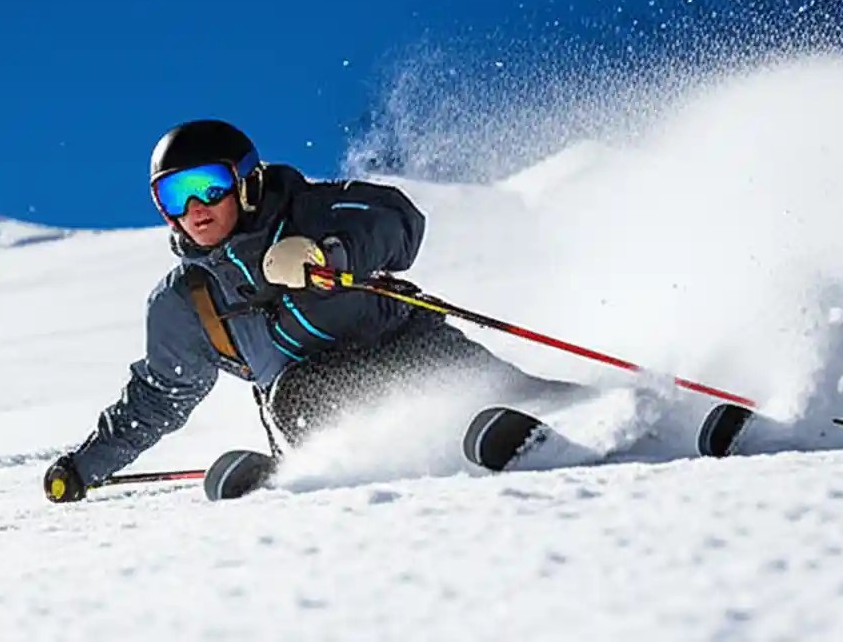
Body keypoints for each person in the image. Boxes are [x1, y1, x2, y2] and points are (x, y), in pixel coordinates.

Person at [43, 119, 586, 503]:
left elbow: (399, 221)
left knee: (536, 398)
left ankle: (592, 429)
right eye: (173, 195)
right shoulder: (187, 303)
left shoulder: (309, 211)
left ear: (247, 181)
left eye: (208, 185)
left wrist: (330, 254)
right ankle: (356, 464)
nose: (195, 208)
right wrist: (84, 467)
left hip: (413, 350)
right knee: (297, 392)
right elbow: (159, 395)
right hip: (315, 412)